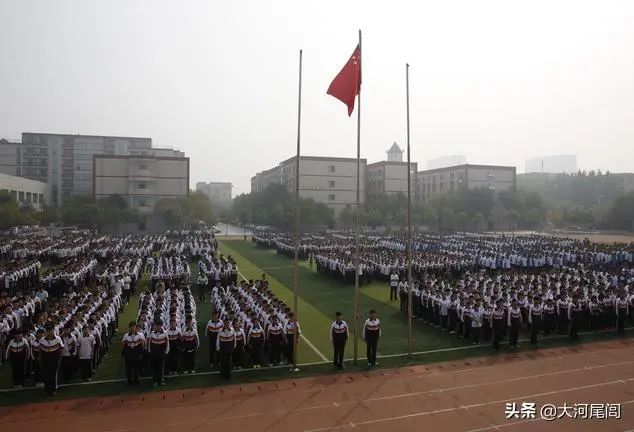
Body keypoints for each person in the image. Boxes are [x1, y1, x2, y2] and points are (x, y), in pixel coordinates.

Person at [39, 323, 64, 396]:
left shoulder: (58, 339)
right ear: (46, 332)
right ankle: (46, 390)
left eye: (52, 331)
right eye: (49, 331)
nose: (50, 333)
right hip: (45, 360)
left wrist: (59, 359)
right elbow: (40, 351)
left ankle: (53, 390)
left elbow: (61, 349)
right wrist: (40, 360)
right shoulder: (42, 340)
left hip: (54, 360)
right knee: (46, 375)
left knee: (53, 375)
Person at [122, 321, 145, 385]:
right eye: (131, 326)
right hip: (129, 355)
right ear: (129, 327)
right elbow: (123, 345)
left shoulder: (140, 335)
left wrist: (141, 353)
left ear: (136, 327)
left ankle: (136, 381)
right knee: (128, 369)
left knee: (136, 368)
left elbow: (142, 345)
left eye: (134, 326)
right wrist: (124, 354)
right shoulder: (126, 336)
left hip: (136, 354)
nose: (133, 328)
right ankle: (129, 381)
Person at [147, 320, 169, 387]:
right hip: (154, 353)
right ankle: (155, 381)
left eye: (160, 325)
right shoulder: (152, 333)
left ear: (162, 325)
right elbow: (149, 343)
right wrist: (149, 351)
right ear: (155, 326)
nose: (158, 326)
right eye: (157, 325)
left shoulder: (165, 333)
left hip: (161, 353)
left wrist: (166, 351)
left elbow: (167, 343)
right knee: (154, 368)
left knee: (161, 367)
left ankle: (161, 380)